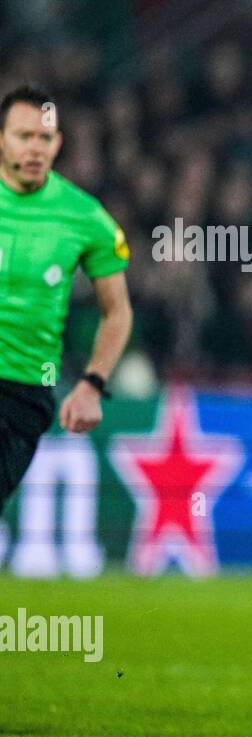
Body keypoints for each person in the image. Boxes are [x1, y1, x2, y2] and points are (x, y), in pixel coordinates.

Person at [0, 85, 133, 516]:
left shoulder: (85, 217)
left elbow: (117, 312)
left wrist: (93, 384)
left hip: (23, 391)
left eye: (45, 137)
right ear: (2, 138)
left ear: (58, 143)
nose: (35, 147)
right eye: (24, 136)